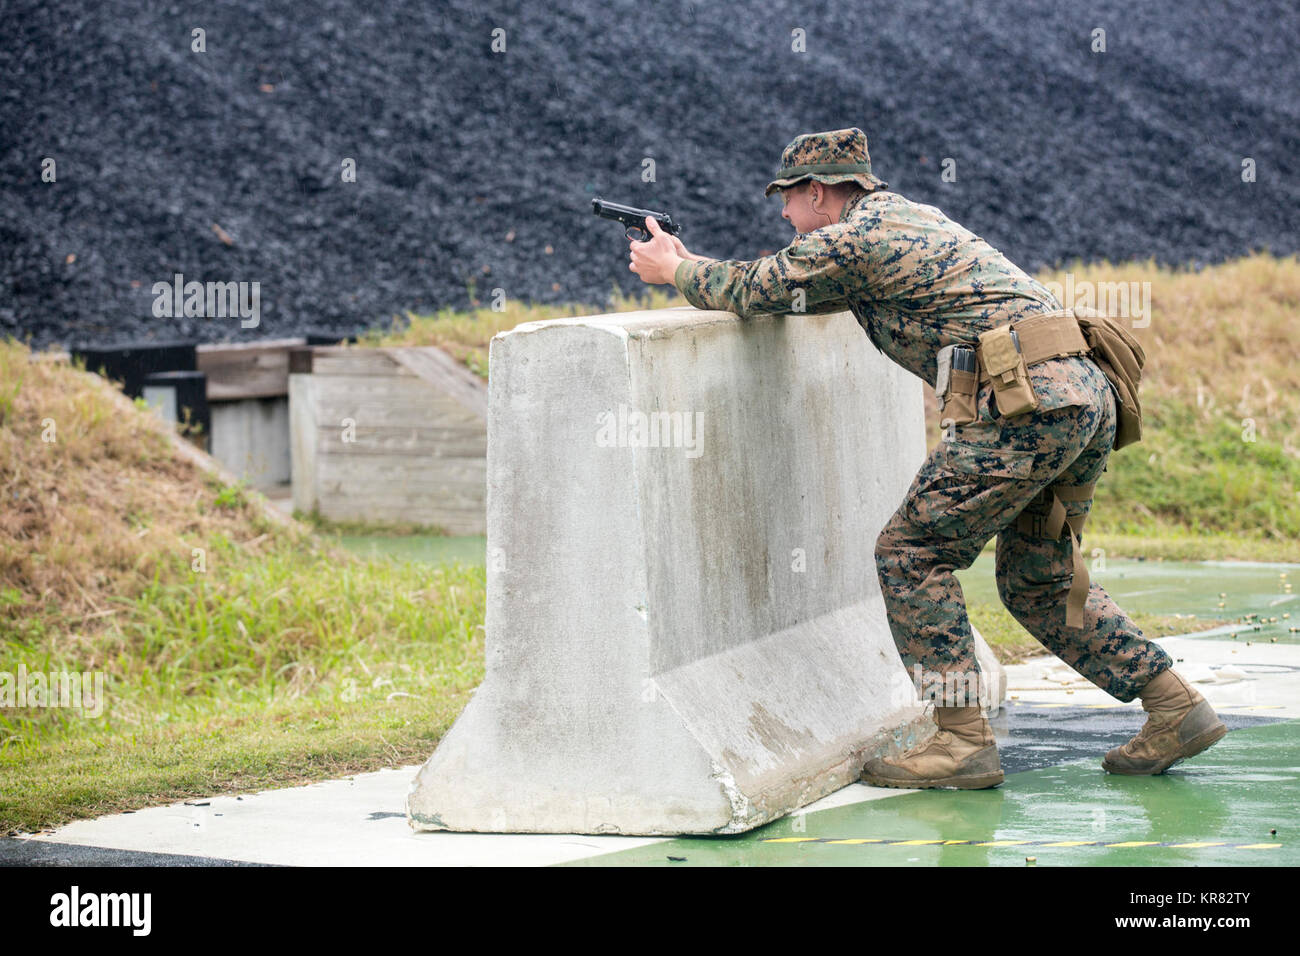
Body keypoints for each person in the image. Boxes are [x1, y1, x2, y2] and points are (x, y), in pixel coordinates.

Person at [626, 126, 1227, 789]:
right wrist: (693, 263)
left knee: (911, 553)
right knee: (1040, 576)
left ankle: (961, 741)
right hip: (1084, 395)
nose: (782, 214)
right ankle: (1174, 705)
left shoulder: (855, 237)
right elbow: (789, 284)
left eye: (787, 199)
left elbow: (757, 290)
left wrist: (673, 269)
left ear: (819, 192)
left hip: (1026, 405)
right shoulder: (906, 219)